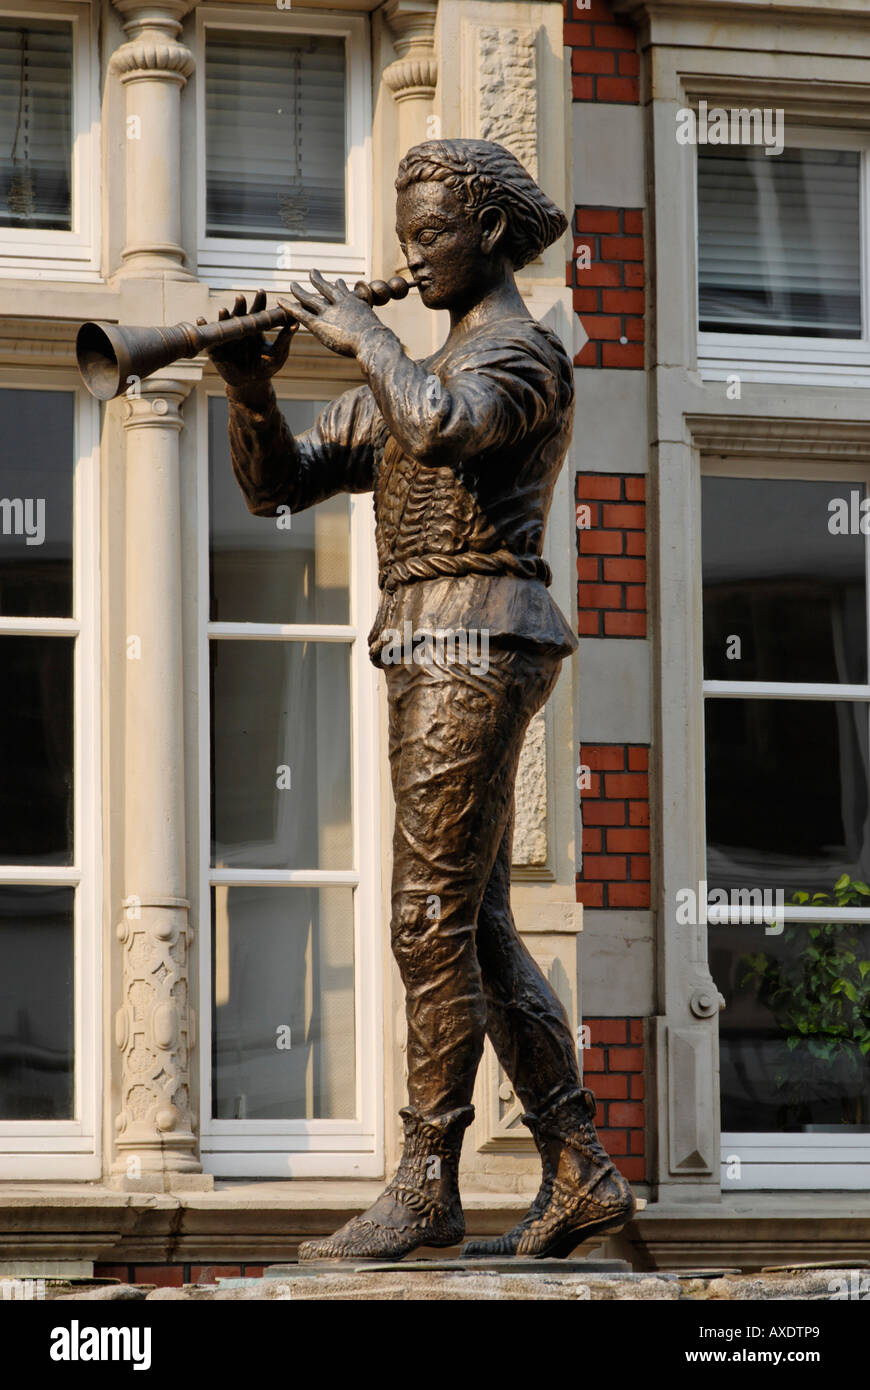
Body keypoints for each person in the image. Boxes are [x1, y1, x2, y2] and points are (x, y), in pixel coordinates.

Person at [205, 138, 635, 1261]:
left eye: (430, 232)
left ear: (489, 231)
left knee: (422, 918)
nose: (412, 254)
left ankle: (426, 1183)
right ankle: (581, 1167)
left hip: (480, 636)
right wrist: (250, 390)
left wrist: (364, 331)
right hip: (423, 644)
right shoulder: (411, 376)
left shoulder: (523, 356)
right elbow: (277, 486)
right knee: (479, 931)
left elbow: (447, 422)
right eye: (405, 237)